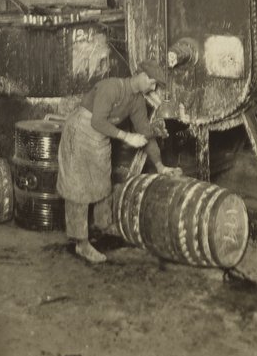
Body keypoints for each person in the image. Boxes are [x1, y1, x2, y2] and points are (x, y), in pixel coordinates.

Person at [57, 60, 177, 265]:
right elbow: (97, 121)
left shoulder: (137, 101)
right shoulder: (111, 87)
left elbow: (145, 133)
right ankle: (81, 242)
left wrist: (160, 166)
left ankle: (104, 225)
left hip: (101, 136)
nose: (153, 88)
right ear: (141, 76)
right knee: (78, 188)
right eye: (152, 82)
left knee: (103, 181)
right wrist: (126, 137)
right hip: (80, 130)